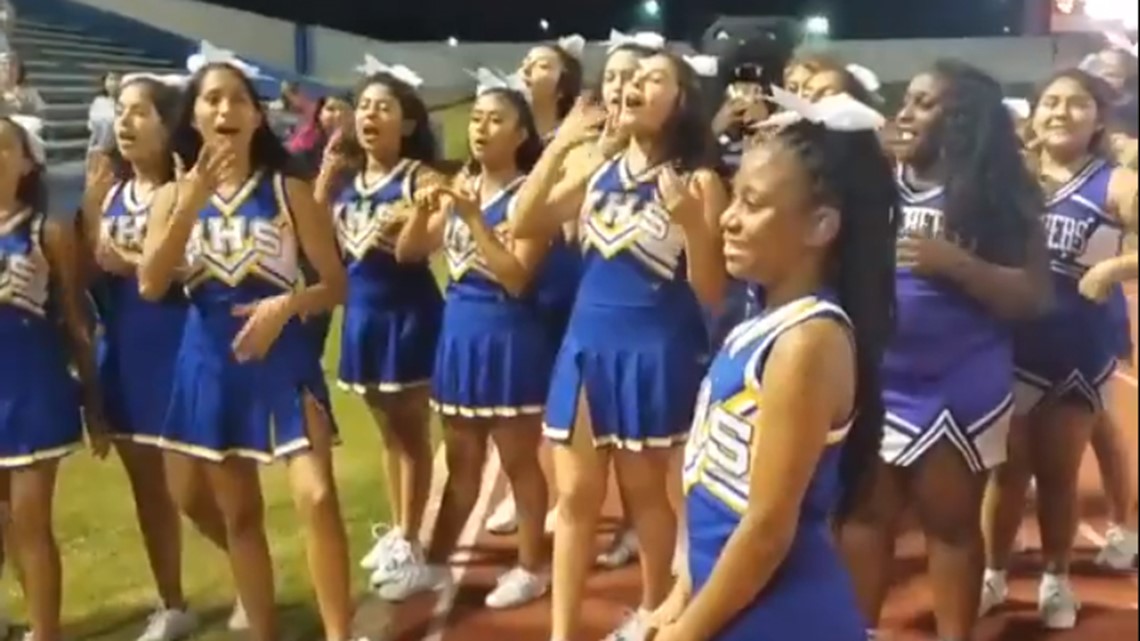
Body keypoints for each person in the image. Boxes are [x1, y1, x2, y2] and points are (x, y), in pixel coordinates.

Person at [646, 91, 896, 641]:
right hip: (732, 603)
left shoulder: (809, 340)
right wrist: (682, 593)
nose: (729, 219)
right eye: (734, 198)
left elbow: (765, 529)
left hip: (780, 616)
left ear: (821, 226)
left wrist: (685, 633)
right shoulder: (762, 317)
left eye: (753, 204)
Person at [136, 56, 358, 641]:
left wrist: (284, 306)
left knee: (315, 494)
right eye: (212, 99)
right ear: (195, 116)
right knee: (238, 515)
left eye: (238, 99)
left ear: (258, 117)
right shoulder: (170, 198)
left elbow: (336, 285)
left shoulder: (289, 190)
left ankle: (340, 632)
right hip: (210, 358)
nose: (225, 109)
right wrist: (191, 199)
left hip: (282, 354)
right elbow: (151, 283)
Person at [512, 46, 727, 640]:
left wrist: (689, 221)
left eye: (652, 79)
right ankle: (562, 631)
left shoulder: (700, 180)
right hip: (585, 346)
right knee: (577, 494)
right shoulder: (599, 168)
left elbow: (711, 290)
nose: (633, 85)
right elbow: (525, 222)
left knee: (643, 492)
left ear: (681, 101)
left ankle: (652, 611)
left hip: (654, 348)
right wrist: (563, 144)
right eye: (628, 77)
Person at [838, 60, 1051, 641]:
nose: (905, 113)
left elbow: (1032, 296)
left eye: (925, 103)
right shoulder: (876, 180)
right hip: (880, 378)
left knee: (951, 525)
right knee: (864, 517)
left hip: (959, 383)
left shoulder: (997, 194)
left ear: (962, 120)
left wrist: (955, 264)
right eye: (906, 100)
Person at [80, 73, 246, 641]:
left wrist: (135, 260)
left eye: (139, 112)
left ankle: (251, 573)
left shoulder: (186, 186)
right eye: (120, 113)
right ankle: (172, 602)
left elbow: (183, 265)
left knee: (195, 491)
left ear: (168, 122)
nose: (124, 123)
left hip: (178, 340)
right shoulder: (111, 192)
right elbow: (93, 268)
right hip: (125, 345)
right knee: (147, 490)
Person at [375, 81, 553, 609]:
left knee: (520, 460)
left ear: (521, 133)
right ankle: (433, 563)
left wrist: (473, 218)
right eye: (476, 118)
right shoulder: (459, 184)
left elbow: (517, 276)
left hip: (509, 333)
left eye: (496, 119)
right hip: (458, 333)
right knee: (462, 461)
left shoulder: (529, 196)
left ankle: (529, 567)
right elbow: (409, 253)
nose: (481, 127)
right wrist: (426, 211)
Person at [981, 68, 1138, 629]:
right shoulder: (1013, 176)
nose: (1060, 113)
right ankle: (993, 574)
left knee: (1060, 473)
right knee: (1004, 472)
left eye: (1076, 104)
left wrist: (1119, 266)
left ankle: (1055, 579)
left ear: (1098, 118)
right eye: (1050, 102)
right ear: (1034, 112)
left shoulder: (1117, 181)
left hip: (1078, 344)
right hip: (1011, 342)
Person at [315, 63, 441, 590]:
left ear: (407, 125)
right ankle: (397, 530)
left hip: (407, 316)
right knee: (387, 435)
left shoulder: (421, 179)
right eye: (364, 106)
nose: (370, 115)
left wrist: (413, 215)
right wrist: (323, 179)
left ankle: (413, 540)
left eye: (383, 107)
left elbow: (425, 244)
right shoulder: (347, 181)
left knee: (412, 434)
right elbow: (319, 241)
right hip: (361, 316)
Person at [0, 114, 110, 641]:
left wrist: (93, 402)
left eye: (4, 148)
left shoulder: (47, 230)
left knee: (29, 521)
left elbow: (75, 318)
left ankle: (46, 632)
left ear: (27, 163)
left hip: (31, 389)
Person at [484, 34, 586, 538]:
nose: (527, 69)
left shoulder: (580, 131)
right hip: (523, 268)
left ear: (564, 78)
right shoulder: (515, 131)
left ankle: (573, 497)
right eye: (525, 62)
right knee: (522, 395)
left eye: (541, 64)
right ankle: (519, 489)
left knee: (570, 393)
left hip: (565, 266)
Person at [87, 72, 121, 156]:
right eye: (110, 79)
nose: (113, 83)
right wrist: (90, 149)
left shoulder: (126, 103)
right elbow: (94, 130)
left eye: (117, 79)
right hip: (100, 149)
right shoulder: (99, 102)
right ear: (105, 83)